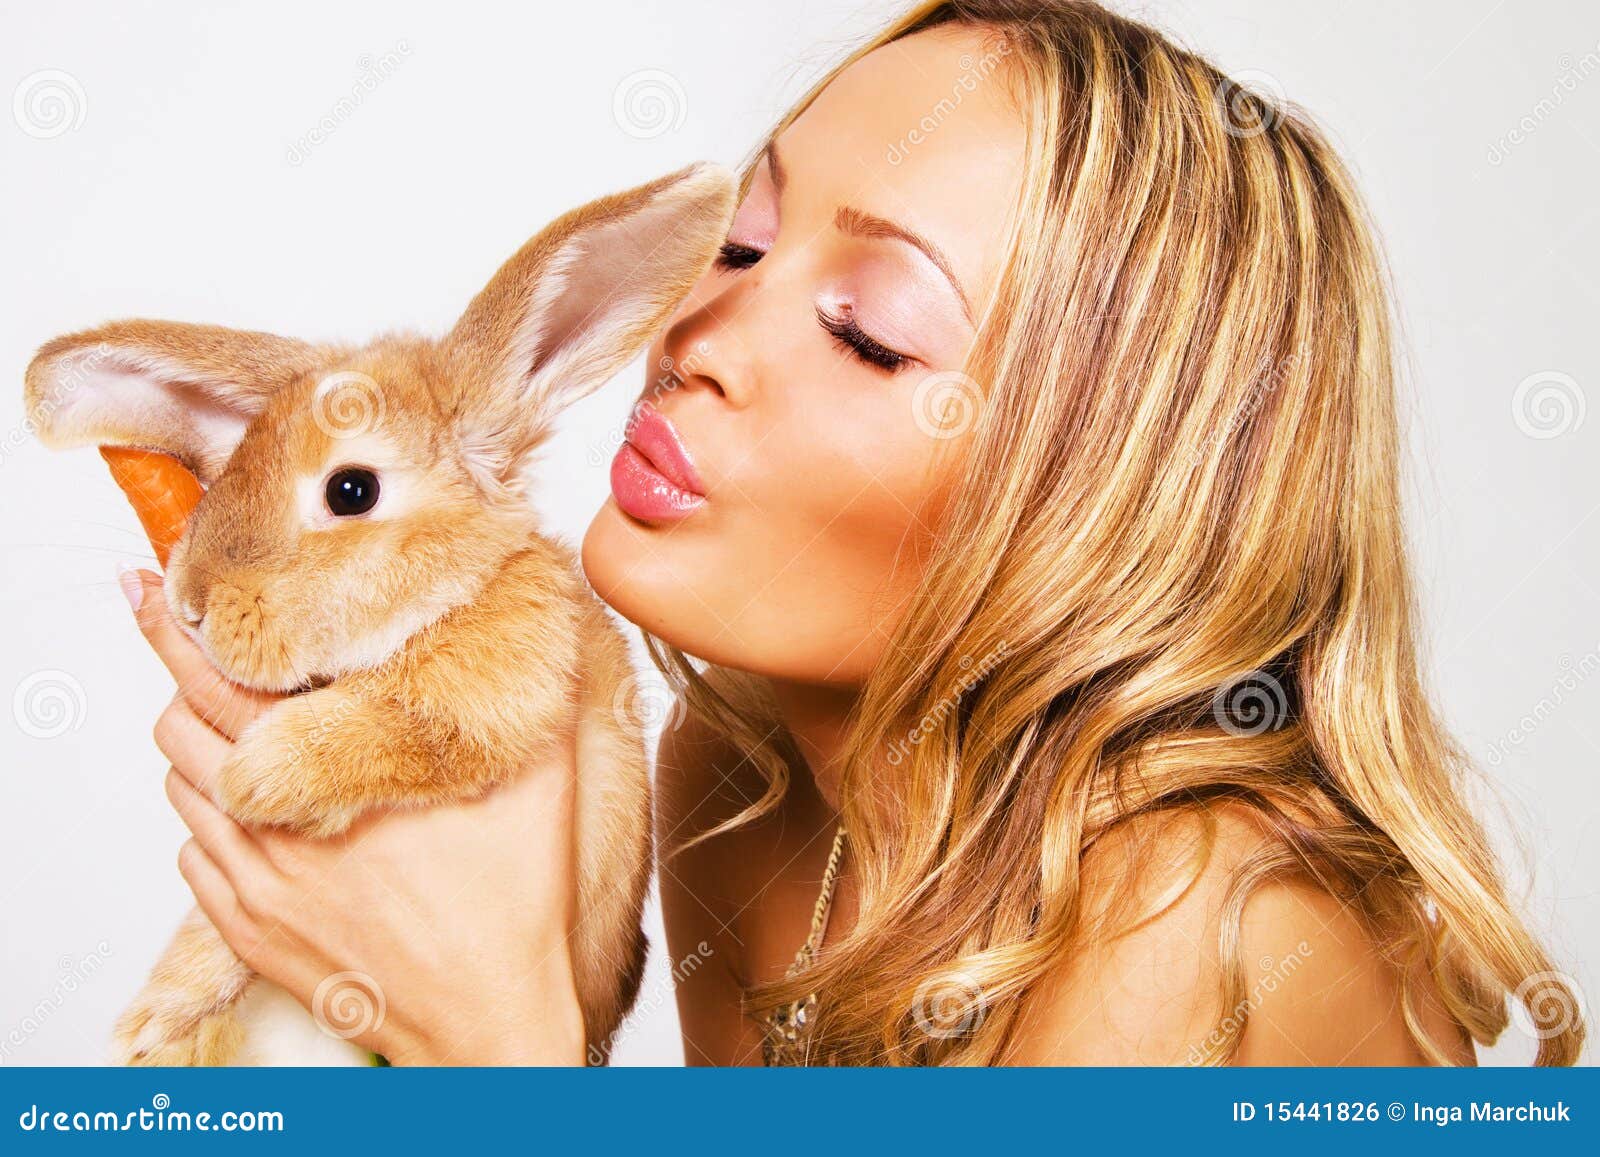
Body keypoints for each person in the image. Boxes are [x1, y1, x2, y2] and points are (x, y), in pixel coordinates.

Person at [126, 0, 1584, 1065]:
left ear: (1088, 510)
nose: (698, 332)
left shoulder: (1198, 928)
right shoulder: (740, 787)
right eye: (741, 245)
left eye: (871, 333)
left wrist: (494, 1035)